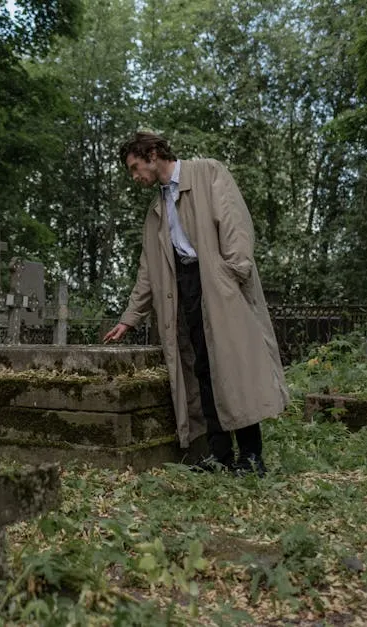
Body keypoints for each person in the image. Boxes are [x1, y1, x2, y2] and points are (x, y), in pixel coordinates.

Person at [103, 131, 288, 476]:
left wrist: (231, 276)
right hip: (184, 289)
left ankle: (251, 457)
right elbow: (149, 269)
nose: (134, 177)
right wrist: (130, 318)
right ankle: (219, 455)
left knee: (230, 367)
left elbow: (234, 226)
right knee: (200, 369)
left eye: (134, 167)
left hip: (218, 283)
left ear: (153, 154)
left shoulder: (207, 172)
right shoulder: (156, 209)